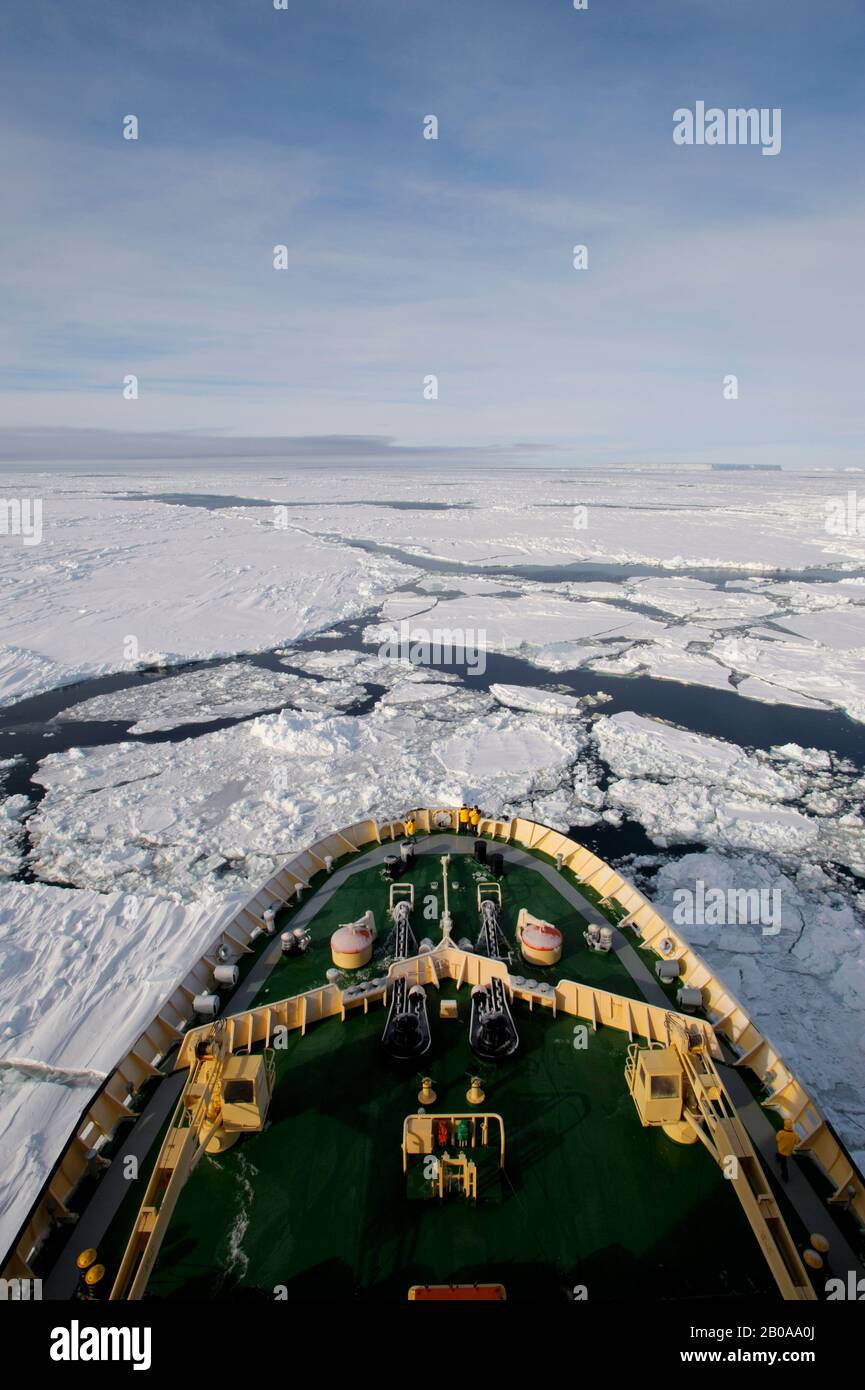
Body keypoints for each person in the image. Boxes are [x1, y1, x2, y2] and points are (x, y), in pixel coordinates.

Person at [775, 1117, 796, 1182]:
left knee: (783, 1165)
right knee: (782, 1159)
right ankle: (778, 1157)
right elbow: (797, 1141)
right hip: (788, 1151)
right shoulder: (794, 1135)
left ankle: (785, 1177)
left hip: (782, 1150)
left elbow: (777, 1139)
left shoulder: (781, 1133)